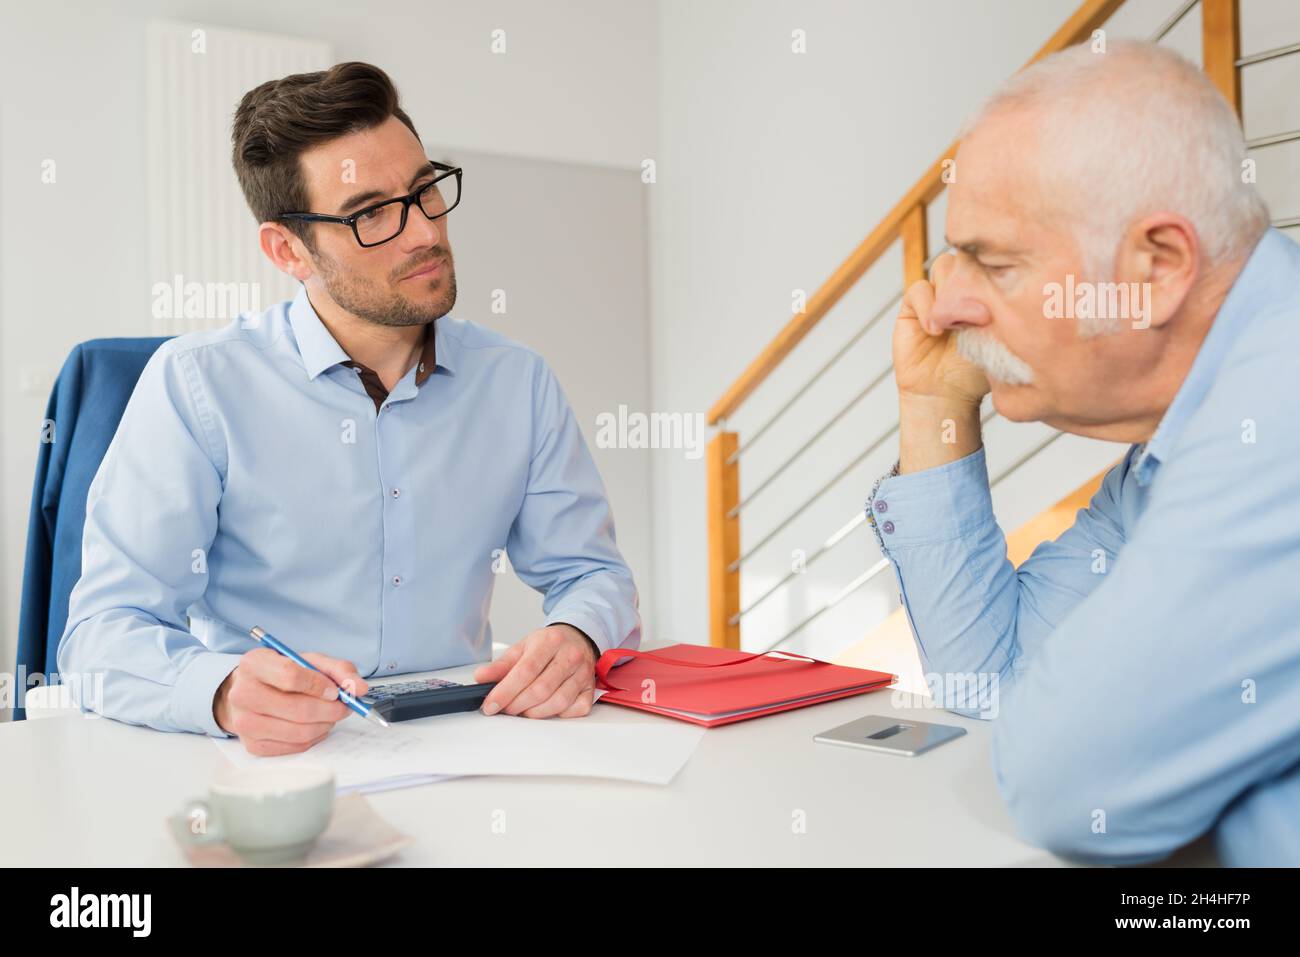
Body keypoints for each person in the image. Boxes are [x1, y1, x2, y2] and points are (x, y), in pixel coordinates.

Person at [58, 62, 640, 755]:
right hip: (276, 775)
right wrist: (220, 691)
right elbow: (101, 635)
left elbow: (592, 574)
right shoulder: (198, 385)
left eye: (425, 191)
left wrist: (576, 634)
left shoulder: (517, 382)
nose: (423, 232)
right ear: (287, 250)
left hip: (464, 752)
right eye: (370, 214)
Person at [872, 40, 1299, 865]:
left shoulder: (1281, 410)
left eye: (992, 262)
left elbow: (1063, 783)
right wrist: (934, 404)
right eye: (954, 257)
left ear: (1157, 266)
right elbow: (986, 684)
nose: (943, 303)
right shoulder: (1162, 459)